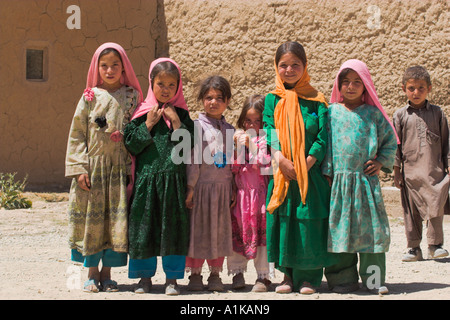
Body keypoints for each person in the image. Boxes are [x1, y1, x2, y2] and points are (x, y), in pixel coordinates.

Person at [65, 42, 142, 293]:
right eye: (104, 66)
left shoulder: (132, 95)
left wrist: (127, 137)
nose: (109, 70)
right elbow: (77, 134)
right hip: (93, 170)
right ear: (96, 68)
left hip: (119, 170)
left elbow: (138, 128)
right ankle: (91, 273)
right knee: (92, 222)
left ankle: (107, 274)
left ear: (124, 68)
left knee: (114, 222)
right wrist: (78, 169)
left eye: (115, 66)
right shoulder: (89, 97)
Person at [263, 41, 336, 294]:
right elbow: (269, 130)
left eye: (296, 65)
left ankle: (310, 278)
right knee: (285, 222)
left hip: (310, 175)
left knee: (308, 223)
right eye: (283, 65)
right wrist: (280, 159)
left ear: (305, 67)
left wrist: (308, 162)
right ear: (276, 67)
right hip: (283, 173)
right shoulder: (272, 99)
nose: (289, 70)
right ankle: (287, 277)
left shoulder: (317, 100)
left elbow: (323, 136)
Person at [322, 59, 398, 295]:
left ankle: (374, 280)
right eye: (346, 82)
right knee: (339, 232)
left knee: (371, 233)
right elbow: (323, 144)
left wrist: (380, 162)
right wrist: (327, 173)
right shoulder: (330, 113)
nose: (351, 87)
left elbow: (390, 142)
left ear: (366, 86)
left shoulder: (373, 114)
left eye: (357, 82)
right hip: (338, 185)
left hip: (365, 183)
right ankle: (341, 280)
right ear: (339, 85)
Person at [123, 58, 194, 295]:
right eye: (160, 84)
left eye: (171, 85)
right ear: (151, 83)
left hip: (173, 183)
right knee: (144, 229)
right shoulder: (142, 113)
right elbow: (131, 144)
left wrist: (175, 122)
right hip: (146, 182)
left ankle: (172, 279)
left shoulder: (182, 115)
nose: (165, 89)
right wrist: (149, 125)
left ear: (178, 87)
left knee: (174, 229)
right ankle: (144, 278)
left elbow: (188, 148)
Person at [393, 65, 449, 262]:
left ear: (429, 89)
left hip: (434, 172)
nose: (416, 93)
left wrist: (448, 165)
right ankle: (413, 248)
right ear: (404, 89)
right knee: (411, 211)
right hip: (410, 173)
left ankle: (435, 245)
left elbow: (445, 142)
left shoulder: (438, 113)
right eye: (411, 88)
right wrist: (396, 170)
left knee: (436, 207)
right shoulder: (400, 115)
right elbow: (396, 146)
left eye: (421, 88)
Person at [184, 75, 235, 292]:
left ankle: (215, 275)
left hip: (222, 190)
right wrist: (191, 188)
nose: (213, 102)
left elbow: (233, 163)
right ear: (201, 100)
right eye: (208, 97)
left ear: (228, 101)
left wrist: (233, 188)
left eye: (219, 98)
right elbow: (193, 159)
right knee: (198, 231)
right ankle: (195, 275)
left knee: (219, 231)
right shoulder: (196, 127)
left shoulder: (230, 130)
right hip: (201, 189)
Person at [227, 94, 272, 292]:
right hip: (242, 197)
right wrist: (237, 146)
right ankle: (237, 273)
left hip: (260, 197)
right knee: (238, 232)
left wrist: (250, 145)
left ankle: (263, 276)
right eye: (248, 121)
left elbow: (266, 164)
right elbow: (232, 168)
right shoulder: (238, 138)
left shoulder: (266, 140)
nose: (252, 125)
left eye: (258, 121)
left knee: (261, 237)